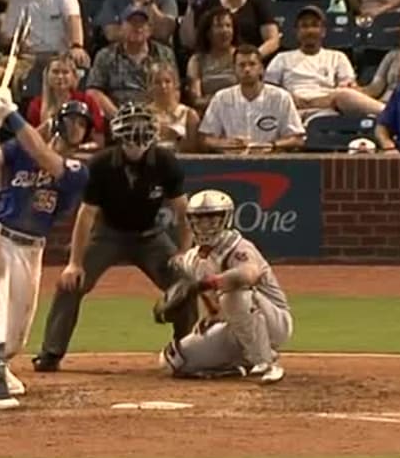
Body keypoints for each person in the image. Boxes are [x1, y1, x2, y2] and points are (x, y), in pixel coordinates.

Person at [31, 102, 196, 373]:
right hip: (108, 234)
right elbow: (86, 215)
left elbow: (183, 210)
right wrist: (75, 263)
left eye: (143, 133)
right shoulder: (102, 164)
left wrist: (183, 252)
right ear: (120, 135)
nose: (137, 140)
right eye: (132, 133)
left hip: (150, 235)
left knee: (185, 283)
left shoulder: (165, 162)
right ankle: (51, 351)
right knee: (69, 284)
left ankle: (186, 350)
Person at [0, 95, 93, 408]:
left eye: (82, 124)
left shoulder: (77, 170)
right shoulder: (20, 150)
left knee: (17, 337)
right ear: (58, 123)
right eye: (72, 120)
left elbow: (42, 154)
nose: (76, 128)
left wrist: (10, 114)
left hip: (31, 249)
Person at [157, 190, 290, 384]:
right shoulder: (193, 259)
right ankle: (237, 366)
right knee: (172, 360)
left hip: (273, 323)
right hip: (234, 327)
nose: (204, 226)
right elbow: (211, 302)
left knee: (234, 295)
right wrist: (208, 316)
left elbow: (247, 275)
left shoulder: (239, 247)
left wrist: (204, 284)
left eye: (212, 219)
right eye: (199, 219)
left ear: (226, 219)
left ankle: (267, 362)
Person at [267, 5, 382, 120]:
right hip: (292, 108)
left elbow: (348, 87)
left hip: (327, 107)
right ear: (297, 32)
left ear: (323, 31)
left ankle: (388, 113)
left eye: (315, 25)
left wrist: (324, 100)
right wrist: (291, 98)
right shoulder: (281, 58)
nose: (310, 30)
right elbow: (269, 88)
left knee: (346, 94)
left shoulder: (337, 57)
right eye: (304, 26)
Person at [199, 44, 305, 153]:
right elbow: (205, 138)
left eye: (252, 64)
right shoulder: (220, 98)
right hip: (232, 162)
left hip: (271, 161)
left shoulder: (281, 97)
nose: (247, 69)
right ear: (234, 69)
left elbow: (297, 139)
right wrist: (224, 144)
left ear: (261, 69)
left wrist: (272, 145)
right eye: (241, 65)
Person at [84, 4, 176, 116]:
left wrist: (158, 116)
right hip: (117, 118)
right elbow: (93, 91)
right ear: (121, 27)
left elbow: (175, 90)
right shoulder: (105, 55)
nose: (137, 27)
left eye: (142, 23)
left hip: (156, 117)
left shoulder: (164, 54)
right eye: (132, 23)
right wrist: (118, 116)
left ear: (150, 29)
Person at [185, 7, 237, 110]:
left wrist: (212, 99)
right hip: (208, 113)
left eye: (228, 26)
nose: (225, 31)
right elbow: (196, 100)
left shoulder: (240, 56)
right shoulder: (196, 60)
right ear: (208, 33)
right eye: (219, 26)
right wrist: (223, 100)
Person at [148, 60, 199, 151]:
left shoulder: (190, 115)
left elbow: (195, 148)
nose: (163, 86)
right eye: (157, 82)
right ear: (150, 87)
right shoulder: (143, 115)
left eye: (167, 81)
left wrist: (176, 138)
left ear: (176, 84)